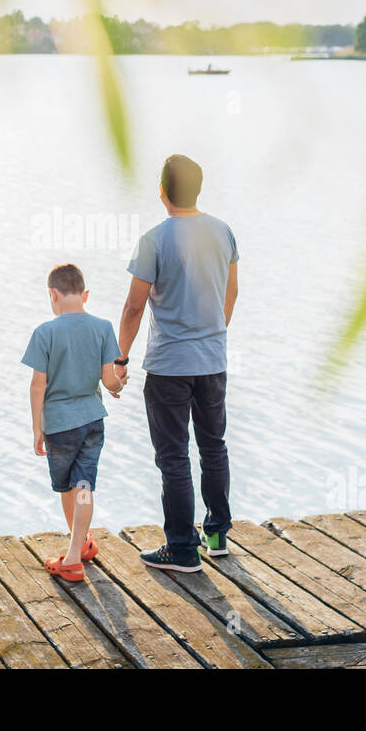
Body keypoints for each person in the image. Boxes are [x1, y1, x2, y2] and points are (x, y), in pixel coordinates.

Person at [117, 154, 238, 572]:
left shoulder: (154, 239)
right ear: (198, 189)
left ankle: (183, 549)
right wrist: (211, 337)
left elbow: (134, 308)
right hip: (213, 361)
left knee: (173, 457)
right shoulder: (223, 232)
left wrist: (119, 358)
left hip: (169, 366)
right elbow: (231, 295)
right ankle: (217, 535)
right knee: (213, 447)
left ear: (163, 192)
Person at [21, 263, 127, 582]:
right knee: (83, 484)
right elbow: (110, 380)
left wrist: (37, 427)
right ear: (86, 294)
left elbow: (38, 385)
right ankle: (81, 545)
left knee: (68, 486)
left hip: (59, 425)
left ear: (52, 295)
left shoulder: (45, 332)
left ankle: (72, 557)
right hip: (93, 420)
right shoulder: (104, 327)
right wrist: (118, 386)